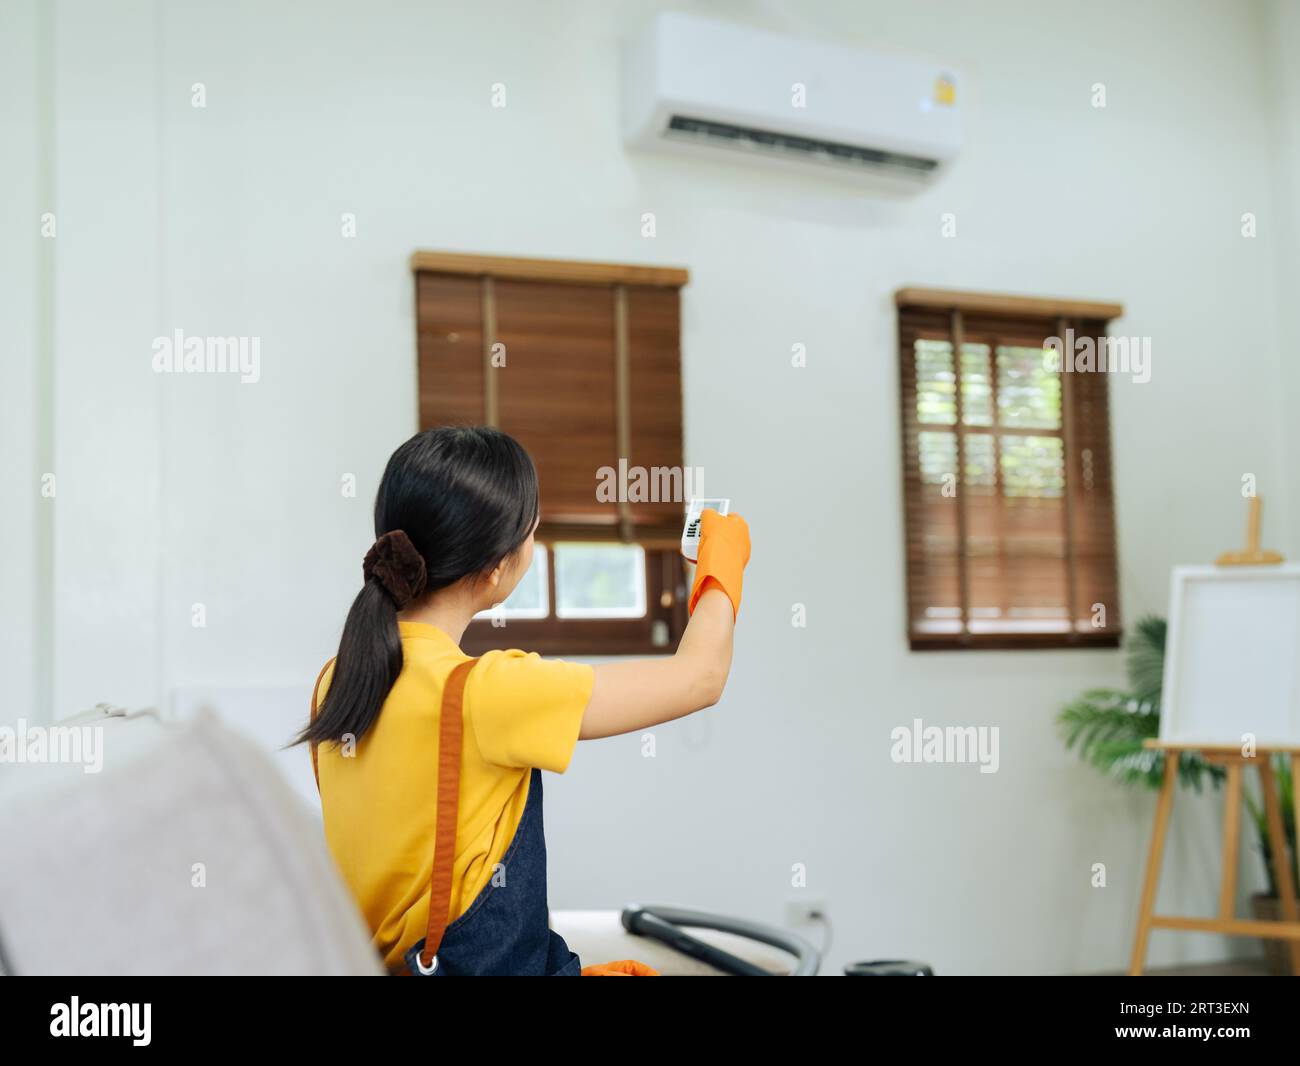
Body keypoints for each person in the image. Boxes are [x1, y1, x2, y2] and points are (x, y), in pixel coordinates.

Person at [298, 425, 750, 975]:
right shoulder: (487, 693)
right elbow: (700, 678)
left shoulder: (335, 681)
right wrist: (721, 566)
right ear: (495, 566)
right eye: (531, 531)